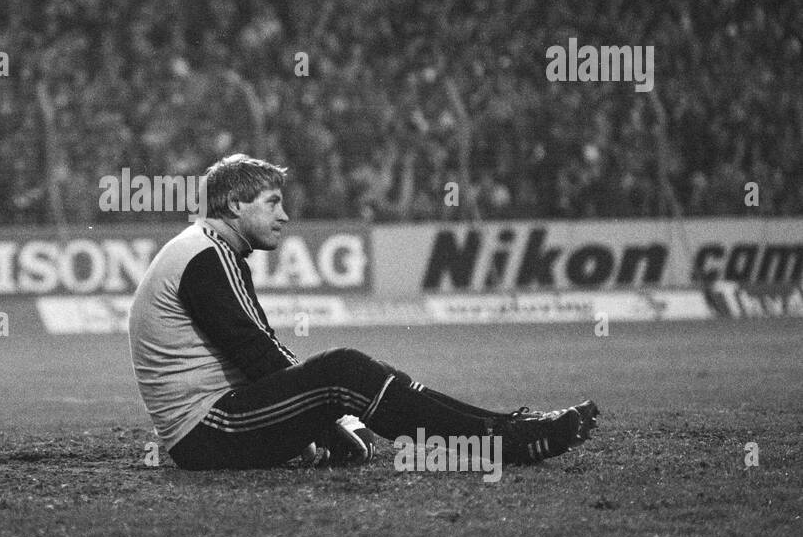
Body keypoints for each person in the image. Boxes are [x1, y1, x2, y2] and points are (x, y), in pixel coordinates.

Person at [128, 154, 598, 470]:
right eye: (272, 203)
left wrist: (323, 417)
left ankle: (503, 431)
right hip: (209, 430)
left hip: (210, 425)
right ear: (234, 204)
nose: (284, 216)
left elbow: (258, 354)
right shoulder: (208, 255)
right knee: (342, 370)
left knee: (341, 375)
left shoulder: (205, 250)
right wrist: (329, 417)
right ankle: (504, 439)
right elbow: (258, 356)